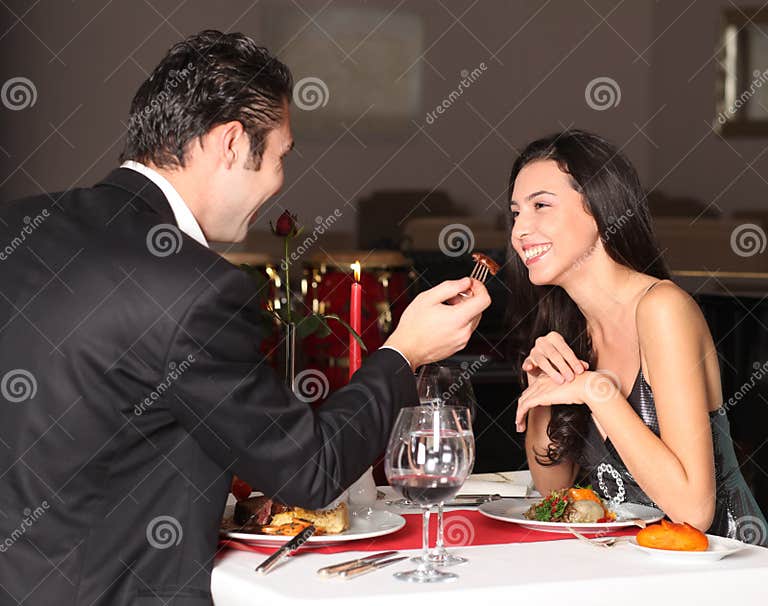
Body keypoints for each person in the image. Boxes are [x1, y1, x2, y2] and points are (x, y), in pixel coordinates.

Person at [0, 31, 490, 606]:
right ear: (232, 144)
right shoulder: (194, 286)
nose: (280, 182)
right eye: (280, 156)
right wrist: (405, 353)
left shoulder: (18, 227)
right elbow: (311, 469)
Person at [507, 129, 766, 543]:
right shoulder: (568, 327)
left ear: (600, 208)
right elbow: (554, 493)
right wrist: (545, 391)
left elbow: (693, 511)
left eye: (541, 205)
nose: (521, 229)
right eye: (516, 212)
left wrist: (597, 391)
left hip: (720, 571)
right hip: (632, 565)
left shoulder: (663, 310)